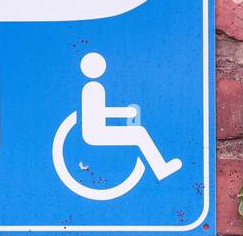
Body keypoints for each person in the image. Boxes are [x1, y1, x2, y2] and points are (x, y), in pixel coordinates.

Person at [78, 52, 182, 180]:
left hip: (98, 130)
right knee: (140, 133)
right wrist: (126, 112)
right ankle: (160, 169)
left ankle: (161, 168)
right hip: (96, 133)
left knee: (139, 132)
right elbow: (99, 114)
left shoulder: (93, 87)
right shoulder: (93, 88)